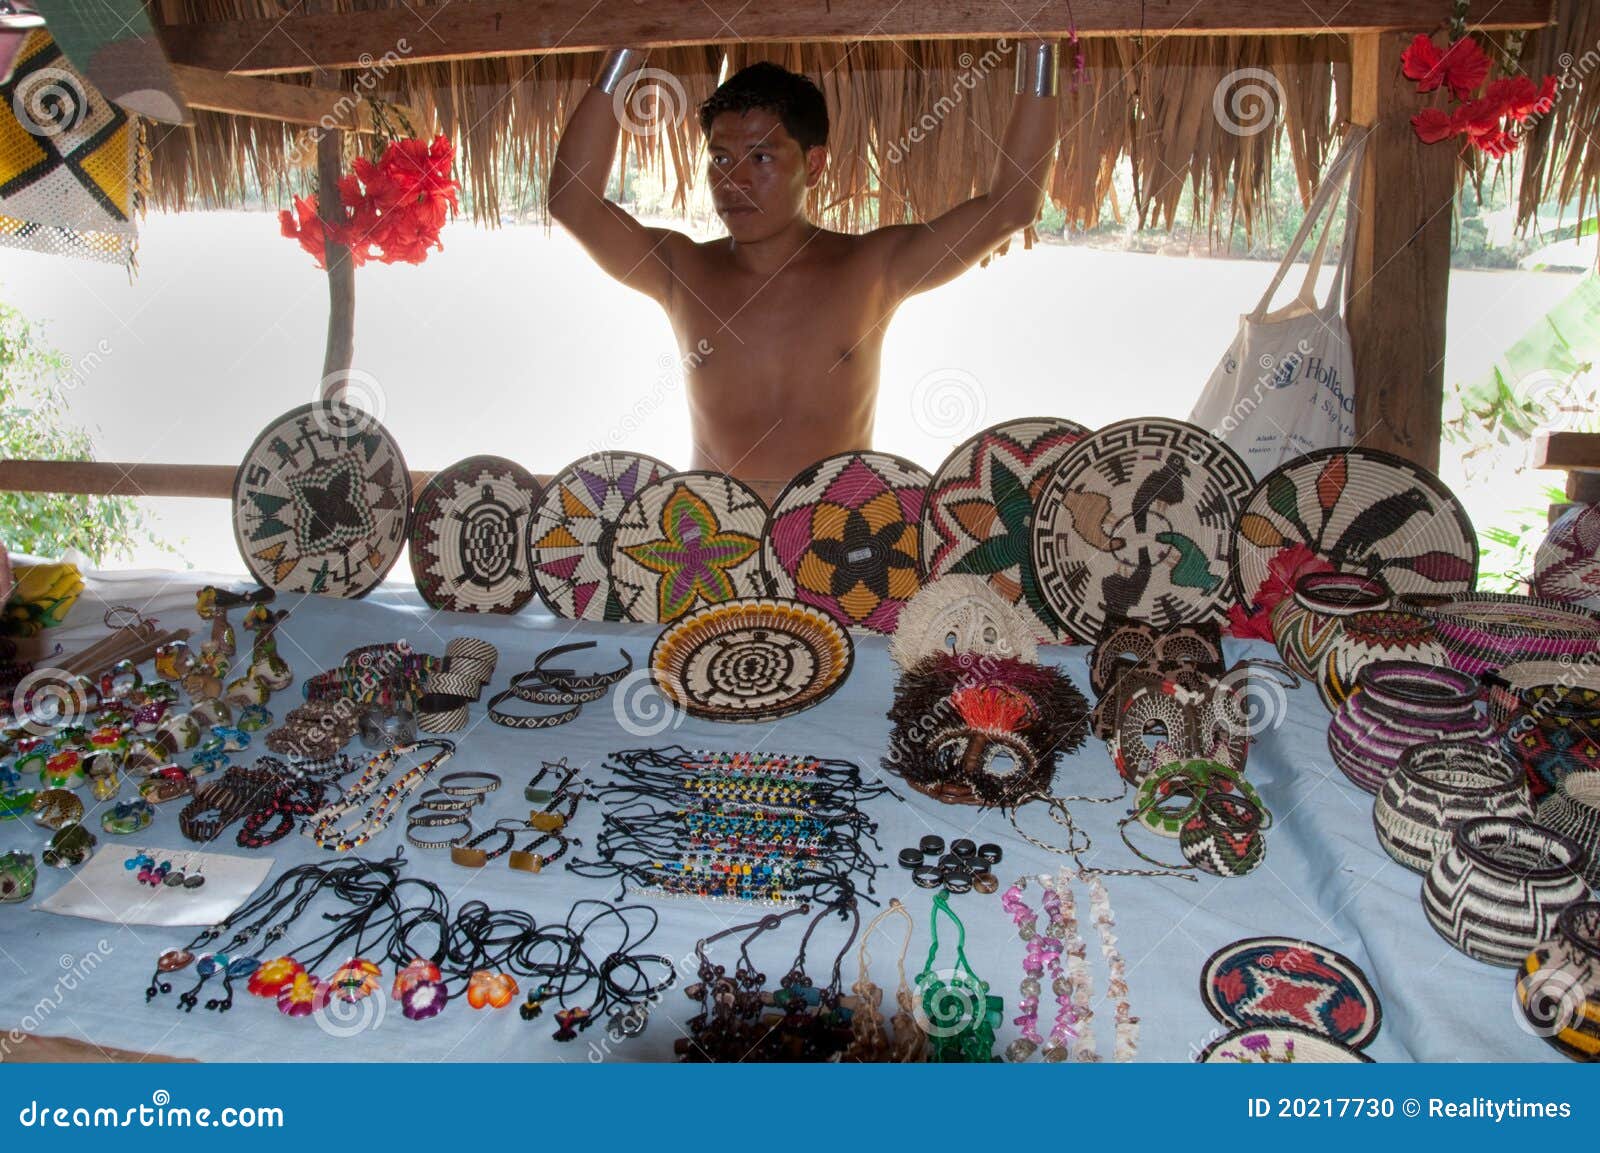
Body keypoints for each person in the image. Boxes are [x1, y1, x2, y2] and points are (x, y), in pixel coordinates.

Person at [549, 42, 1061, 506]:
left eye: (761, 156)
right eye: (721, 158)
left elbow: (1011, 206)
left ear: (813, 166)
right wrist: (626, 50)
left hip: (838, 546)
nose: (734, 180)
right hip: (709, 544)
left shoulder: (871, 269)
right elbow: (572, 201)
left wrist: (1040, 44)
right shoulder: (682, 271)